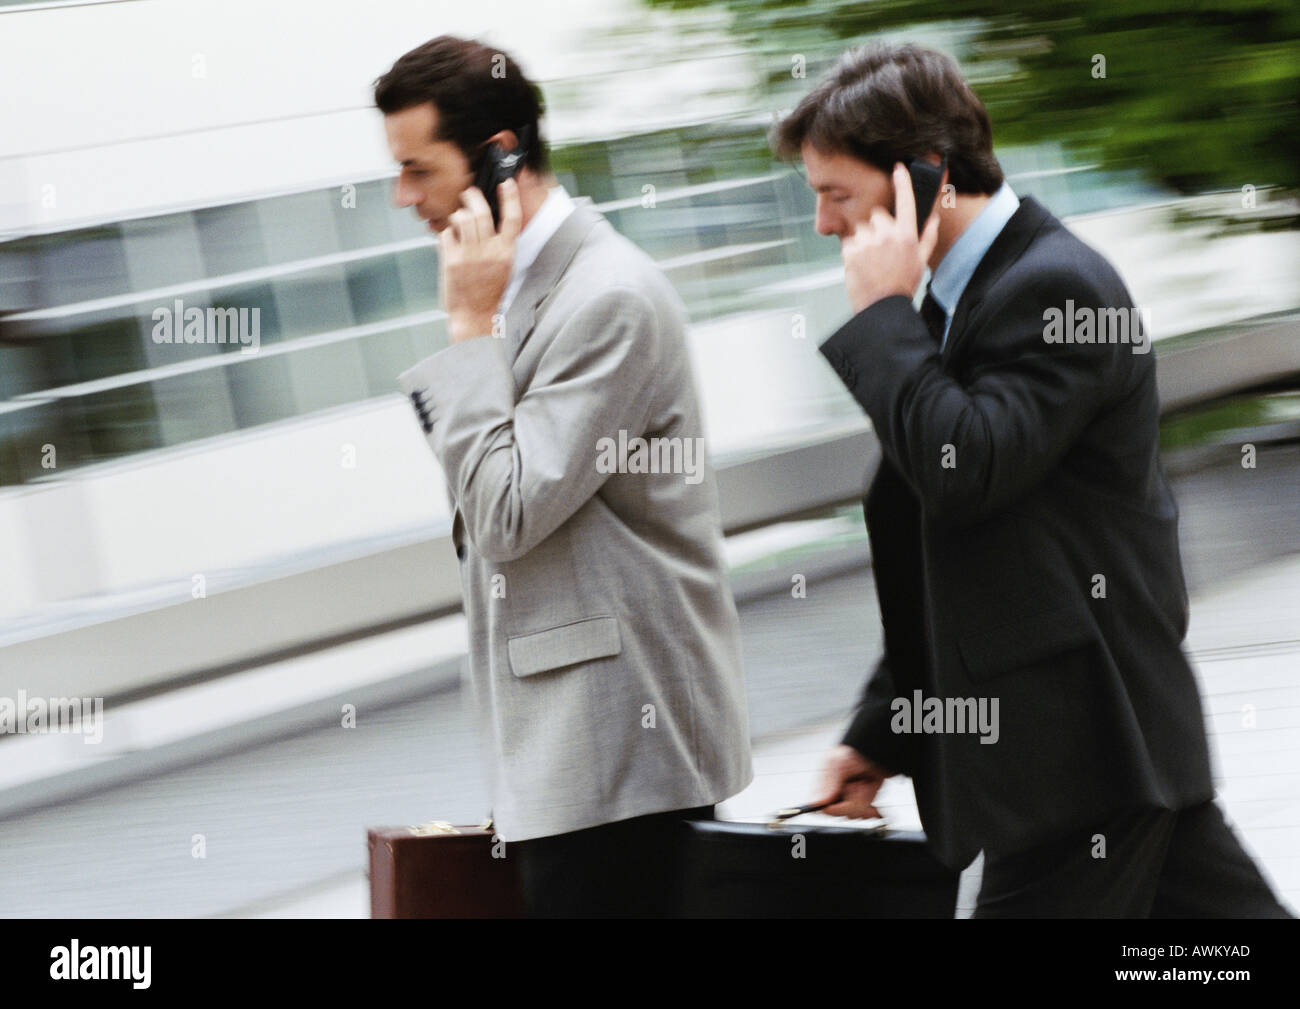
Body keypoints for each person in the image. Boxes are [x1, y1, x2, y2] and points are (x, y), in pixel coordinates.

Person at [775, 42, 1291, 917]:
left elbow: (963, 468)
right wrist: (883, 730)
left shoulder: (1056, 290)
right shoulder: (951, 302)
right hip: (1107, 749)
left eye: (836, 195)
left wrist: (883, 318)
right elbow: (962, 554)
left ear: (923, 179)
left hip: (1078, 757)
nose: (824, 225)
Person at [374, 36, 752, 917]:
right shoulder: (524, 285)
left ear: (500, 154)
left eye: (418, 169)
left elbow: (507, 511)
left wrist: (468, 331)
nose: (403, 197)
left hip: (622, 758)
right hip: (569, 758)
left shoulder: (606, 297)